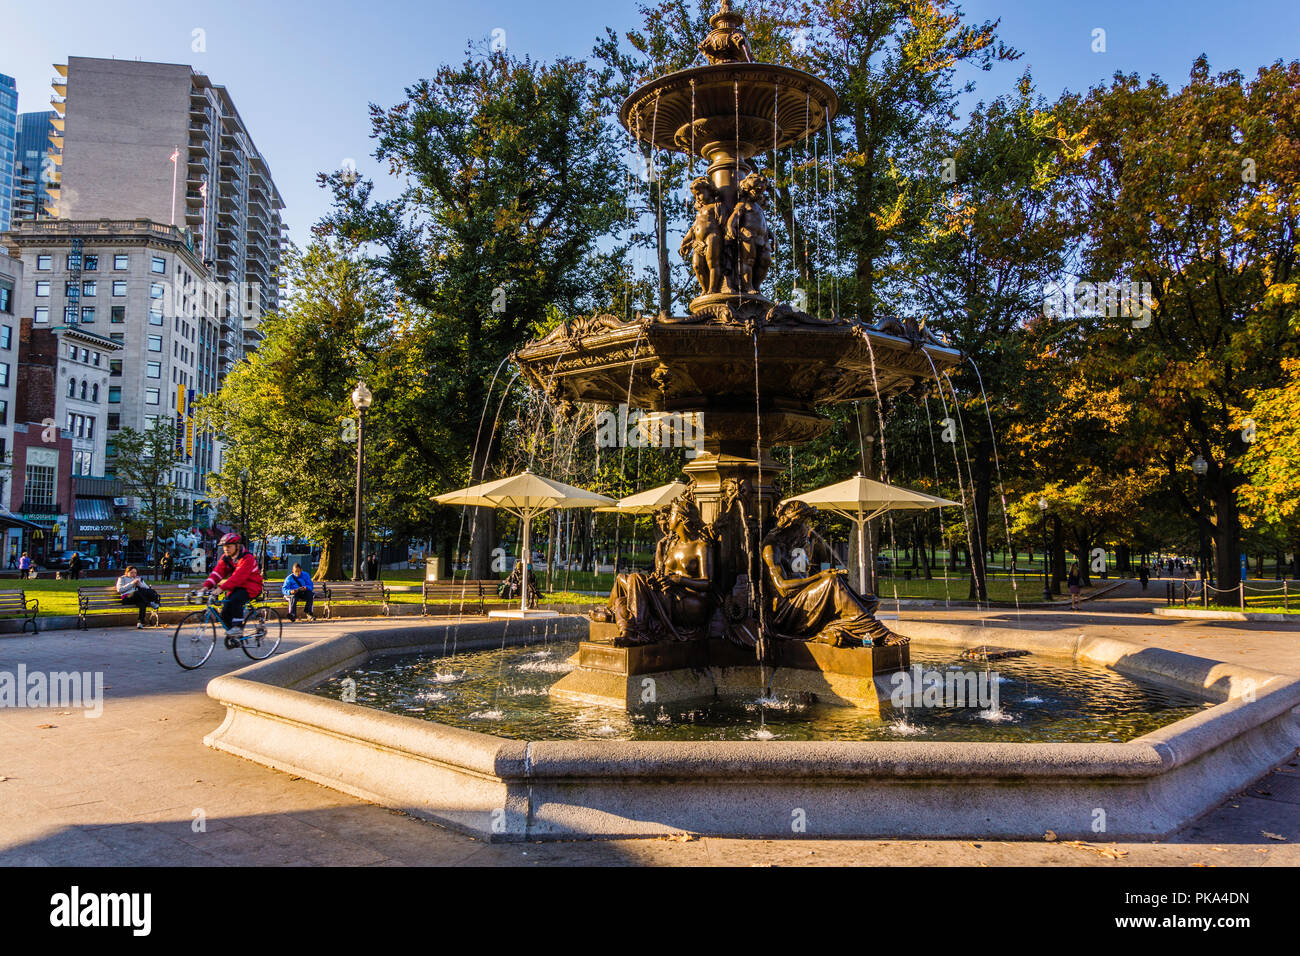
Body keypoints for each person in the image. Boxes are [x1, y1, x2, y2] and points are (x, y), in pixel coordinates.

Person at [199, 532, 265, 644]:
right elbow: (217, 573)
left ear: (237, 546)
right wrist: (206, 587)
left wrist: (220, 589)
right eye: (224, 547)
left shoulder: (247, 558)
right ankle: (235, 637)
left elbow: (238, 577)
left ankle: (237, 628)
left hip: (251, 586)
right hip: (236, 587)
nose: (226, 549)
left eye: (229, 546)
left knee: (236, 600)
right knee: (224, 613)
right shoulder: (226, 558)